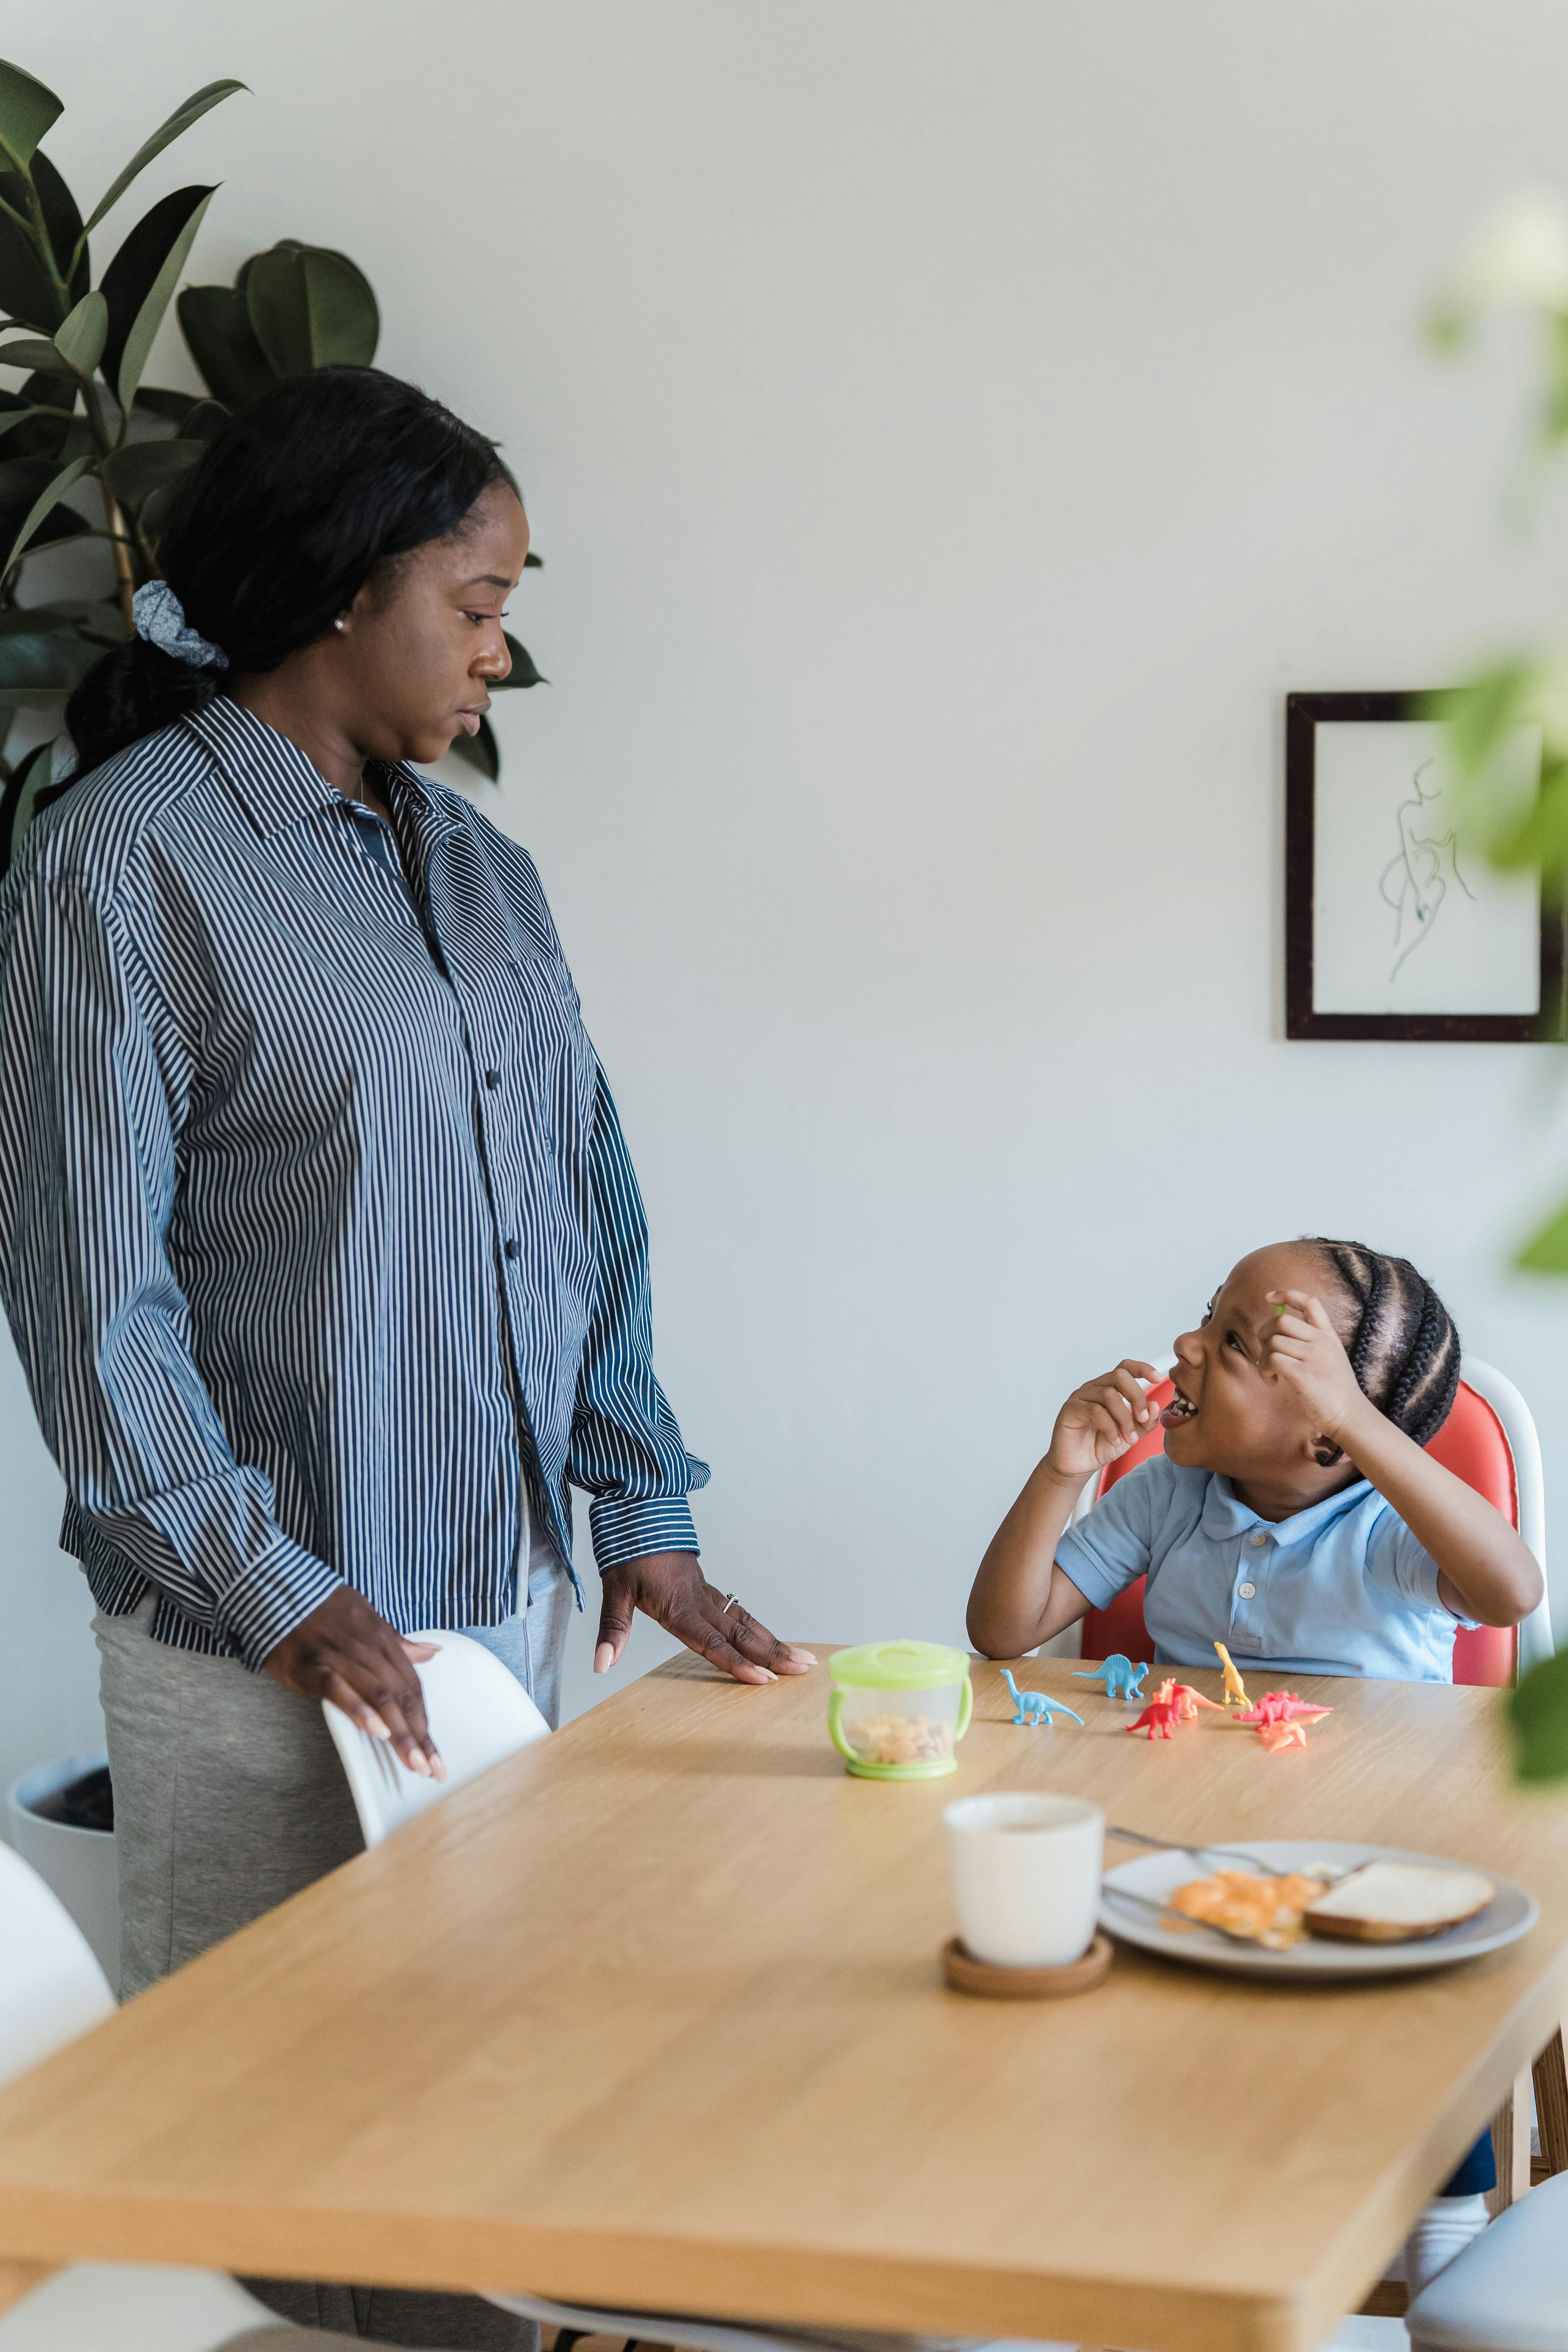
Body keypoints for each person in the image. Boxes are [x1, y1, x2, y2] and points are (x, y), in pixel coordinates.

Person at [0, 366, 812, 2349]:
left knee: (481, 2164)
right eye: (476, 599)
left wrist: (644, 1516)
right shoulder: (122, 866)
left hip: (495, 1650)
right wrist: (289, 1601)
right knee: (279, 2207)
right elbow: (87, 1298)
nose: (500, 647)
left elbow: (588, 1216)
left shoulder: (484, 876)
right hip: (261, 1667)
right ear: (344, 592)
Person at [966, 1234, 1543, 2298]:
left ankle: (1444, 2226)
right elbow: (1004, 1631)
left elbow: (1510, 1593)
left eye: (1232, 1344)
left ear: (1327, 1428)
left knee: (1404, 2002)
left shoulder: (1384, 1526)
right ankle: (1131, 2184)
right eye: (1210, 1317)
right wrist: (1064, 1475)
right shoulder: (1172, 1500)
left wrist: (1364, 1430)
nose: (1185, 1347)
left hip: (1376, 1836)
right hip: (1185, 1826)